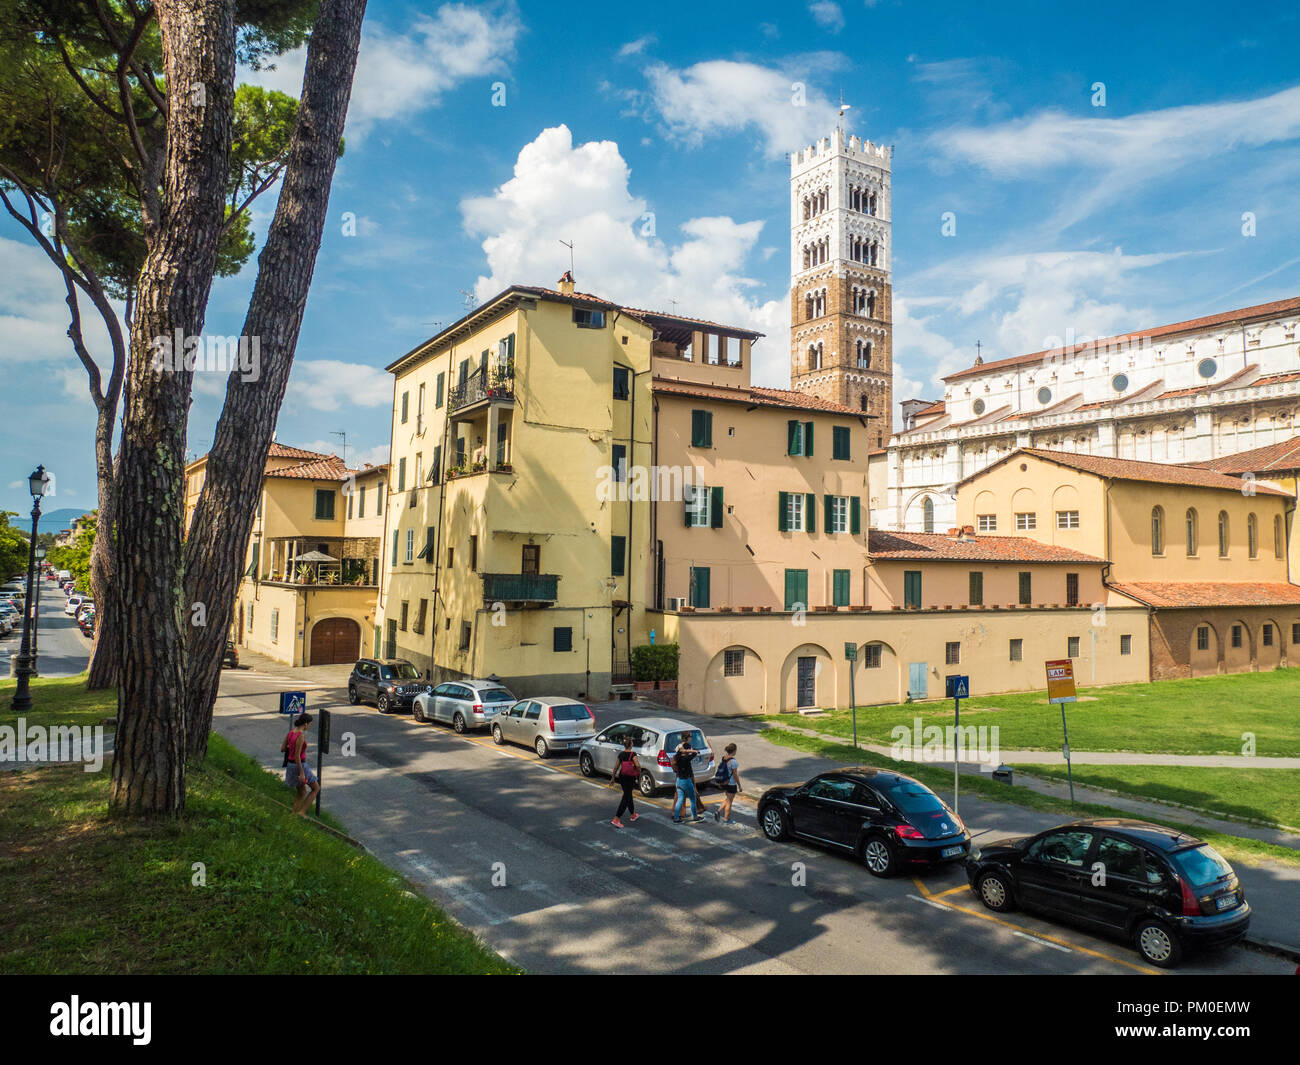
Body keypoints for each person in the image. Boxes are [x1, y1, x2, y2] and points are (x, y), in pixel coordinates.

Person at [281, 713, 320, 816]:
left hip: (290, 765)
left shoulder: (290, 733)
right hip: (300, 765)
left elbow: (283, 749)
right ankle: (302, 812)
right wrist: (302, 773)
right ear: (306, 724)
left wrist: (291, 747)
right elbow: (297, 756)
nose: (309, 726)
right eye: (310, 724)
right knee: (316, 788)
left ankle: (294, 814)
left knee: (301, 792)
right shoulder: (300, 736)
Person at [672, 731, 705, 823]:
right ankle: (695, 817)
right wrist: (692, 750)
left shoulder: (678, 757)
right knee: (693, 799)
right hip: (686, 781)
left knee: (680, 799)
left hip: (678, 780)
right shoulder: (687, 758)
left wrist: (683, 749)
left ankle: (676, 818)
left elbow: (678, 750)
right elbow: (695, 752)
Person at [610, 734, 640, 828]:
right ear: (630, 744)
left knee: (628, 794)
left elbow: (616, 767)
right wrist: (638, 772)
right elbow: (638, 765)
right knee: (626, 797)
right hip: (630, 777)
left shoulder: (621, 754)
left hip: (622, 777)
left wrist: (613, 778)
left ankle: (632, 815)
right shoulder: (633, 754)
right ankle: (616, 818)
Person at [713, 743, 741, 823]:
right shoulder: (733, 762)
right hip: (731, 783)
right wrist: (739, 785)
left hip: (725, 782)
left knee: (728, 799)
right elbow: (735, 775)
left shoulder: (724, 758)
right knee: (729, 802)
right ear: (734, 751)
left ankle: (718, 811)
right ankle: (726, 819)